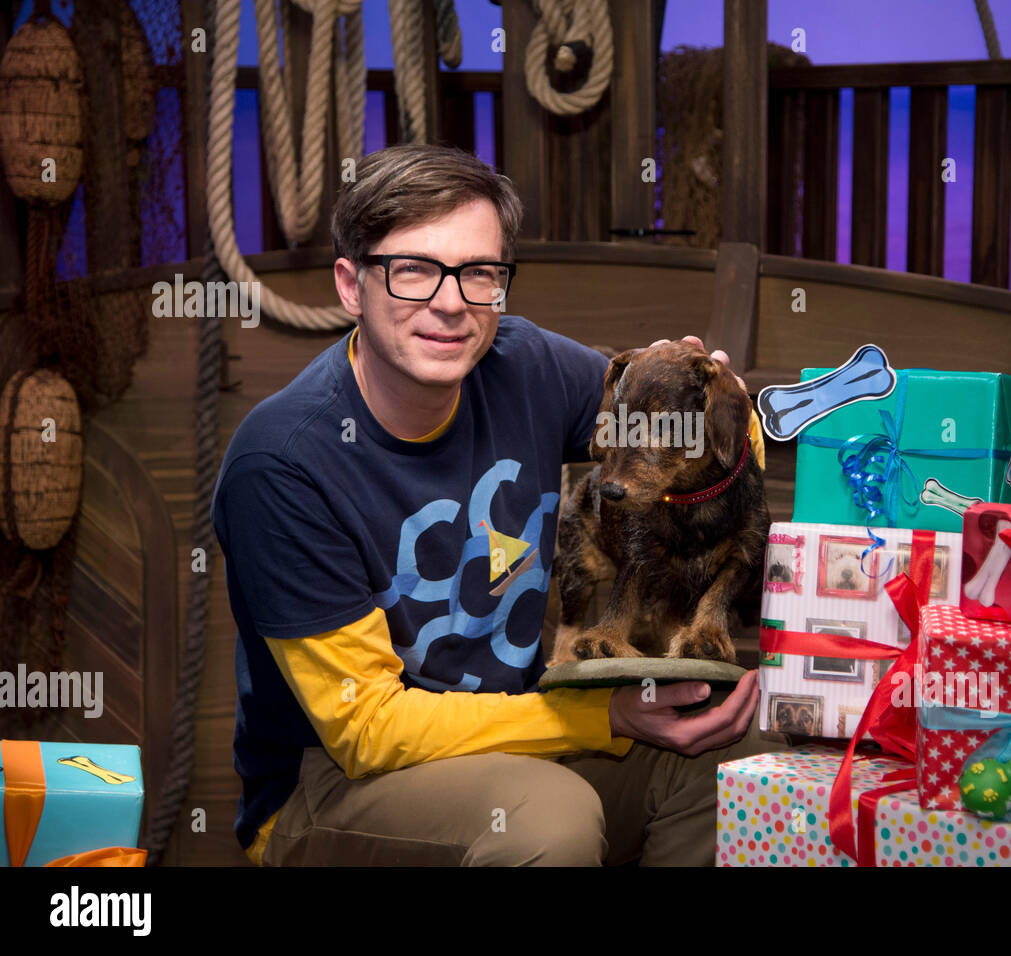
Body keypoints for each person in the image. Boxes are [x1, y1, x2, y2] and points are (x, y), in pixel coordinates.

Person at [211, 143, 782, 867]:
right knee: (548, 818)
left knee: (745, 759)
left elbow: (702, 442)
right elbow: (368, 729)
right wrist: (602, 715)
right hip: (333, 781)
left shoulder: (525, 365)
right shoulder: (282, 463)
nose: (450, 302)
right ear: (352, 286)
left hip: (522, 729)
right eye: (413, 270)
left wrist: (711, 402)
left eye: (478, 274)